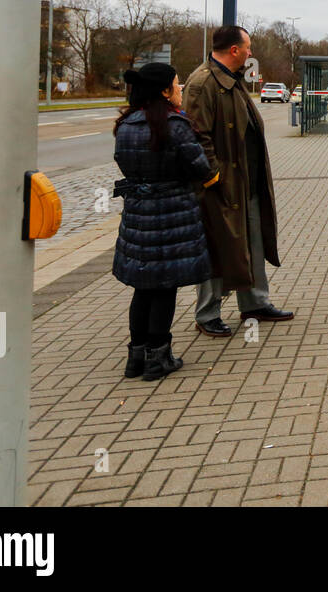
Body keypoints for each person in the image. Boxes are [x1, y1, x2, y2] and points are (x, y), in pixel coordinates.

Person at [112, 63, 217, 381]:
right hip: (171, 215)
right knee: (164, 287)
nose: (181, 88)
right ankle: (159, 357)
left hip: (138, 215)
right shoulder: (174, 125)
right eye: (177, 83)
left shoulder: (127, 123)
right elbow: (202, 169)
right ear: (164, 90)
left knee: (142, 287)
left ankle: (136, 357)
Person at [184, 25, 291, 337]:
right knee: (219, 247)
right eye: (248, 47)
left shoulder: (231, 80)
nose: (250, 53)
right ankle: (207, 314)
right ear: (234, 50)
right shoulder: (203, 83)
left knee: (252, 242)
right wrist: (213, 175)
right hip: (220, 185)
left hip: (246, 182)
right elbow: (195, 135)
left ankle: (255, 303)